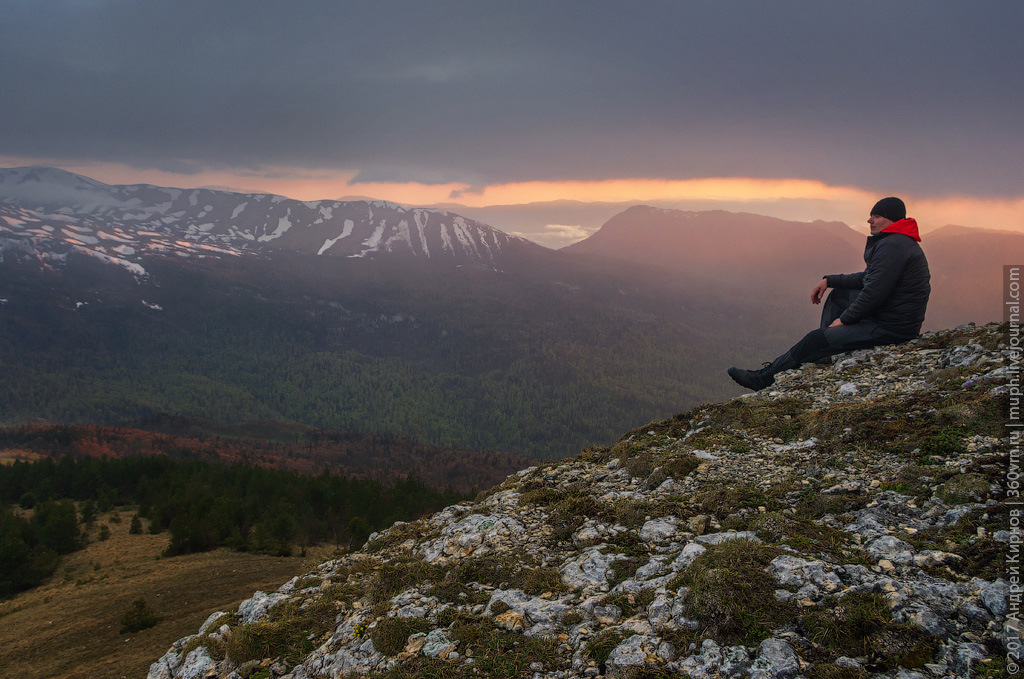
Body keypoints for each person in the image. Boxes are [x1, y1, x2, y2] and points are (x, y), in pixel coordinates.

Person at [727, 196, 930, 391]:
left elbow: (874, 293)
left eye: (876, 216)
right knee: (840, 294)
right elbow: (868, 278)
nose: (869, 220)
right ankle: (828, 347)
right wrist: (830, 280)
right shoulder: (896, 242)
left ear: (891, 219)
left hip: (892, 328)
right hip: (891, 318)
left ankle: (764, 378)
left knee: (814, 339)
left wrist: (844, 320)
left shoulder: (893, 246)